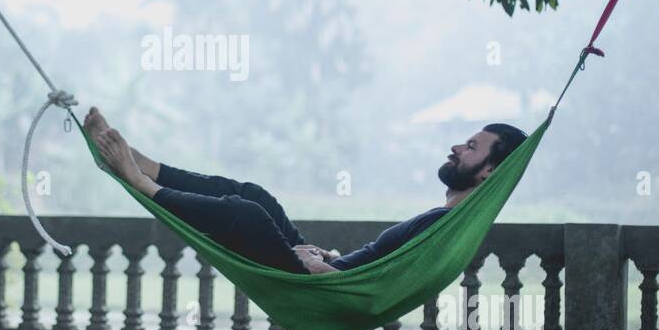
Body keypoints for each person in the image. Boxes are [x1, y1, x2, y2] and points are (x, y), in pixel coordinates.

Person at [83, 107, 527, 275]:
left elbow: (371, 284)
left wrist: (320, 269)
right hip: (326, 270)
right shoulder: (441, 221)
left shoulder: (443, 226)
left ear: (490, 173)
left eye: (471, 147)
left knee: (247, 214)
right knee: (257, 196)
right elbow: (375, 266)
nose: (456, 147)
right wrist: (327, 257)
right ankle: (142, 162)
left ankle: (136, 177)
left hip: (323, 289)